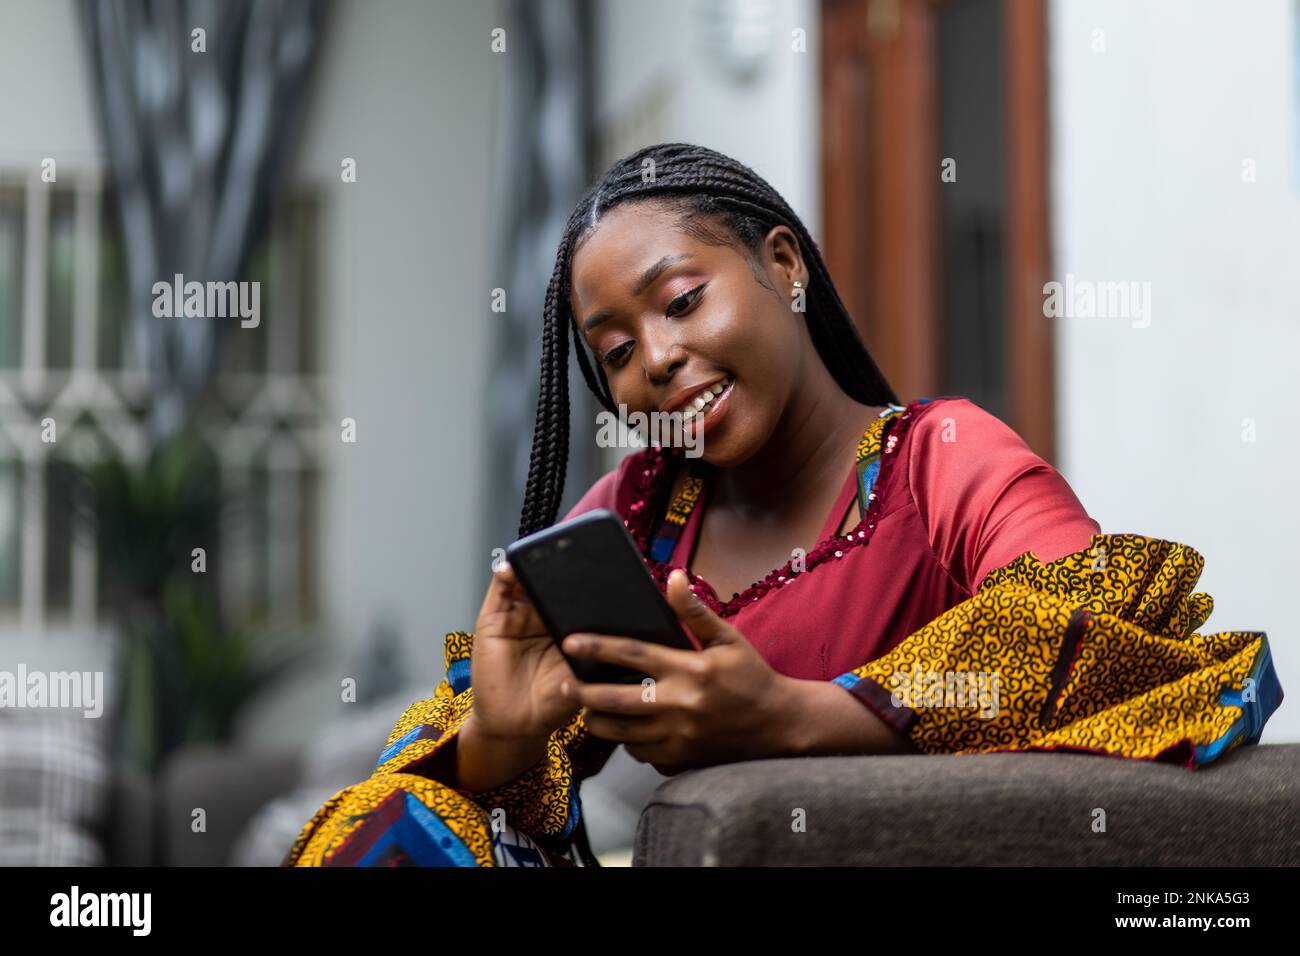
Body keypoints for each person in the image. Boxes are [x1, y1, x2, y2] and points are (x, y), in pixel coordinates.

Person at [283, 143, 1282, 868]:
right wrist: (500, 735)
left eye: (680, 300)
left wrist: (800, 715)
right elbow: (481, 805)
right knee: (397, 829)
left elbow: (1093, 633)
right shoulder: (633, 519)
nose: (659, 358)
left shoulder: (941, 461)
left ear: (783, 266)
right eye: (617, 351)